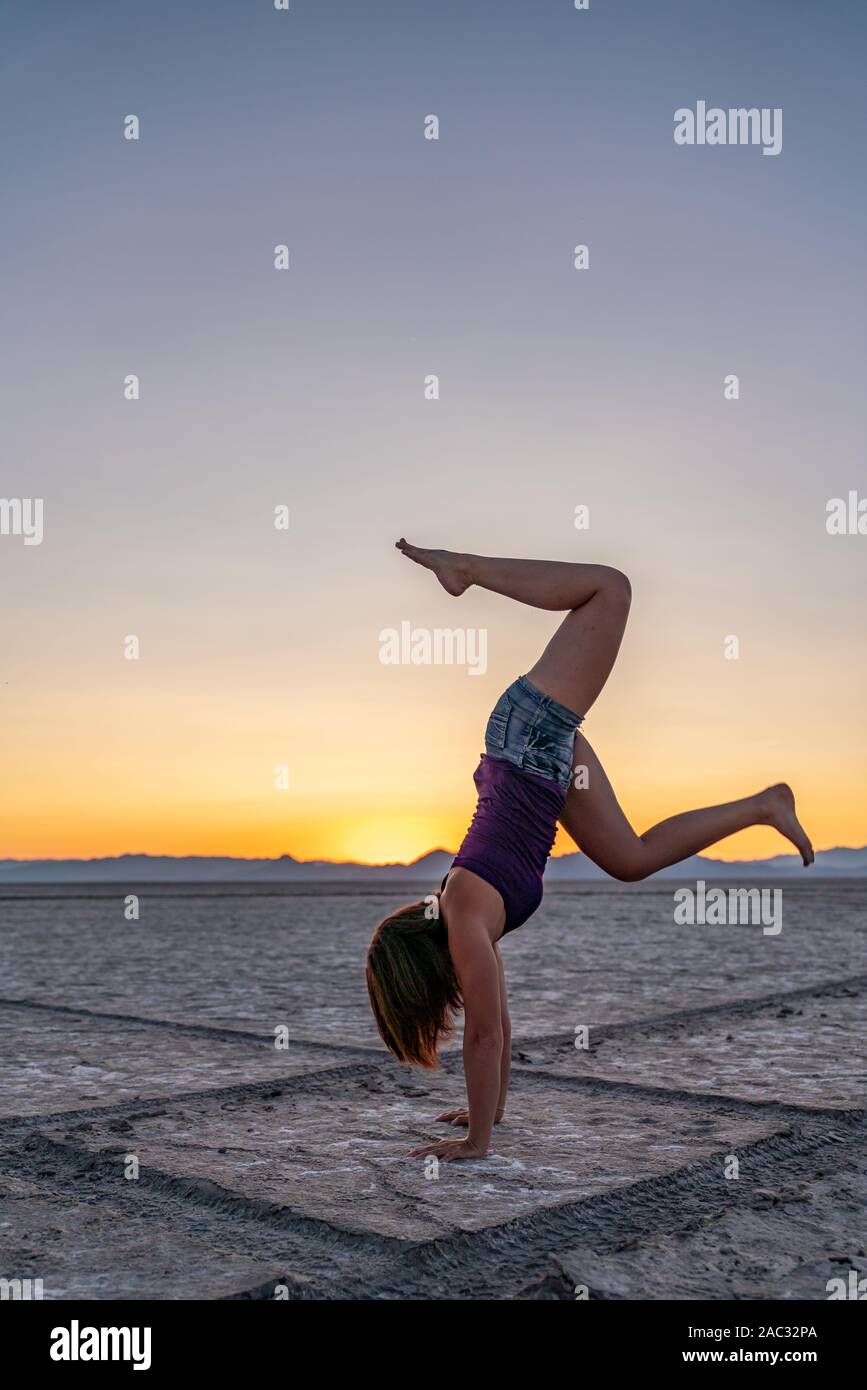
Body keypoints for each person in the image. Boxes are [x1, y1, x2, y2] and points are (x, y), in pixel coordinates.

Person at [366, 541, 813, 1162]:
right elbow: (497, 1018)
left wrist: (475, 1144)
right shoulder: (469, 922)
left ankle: (465, 568)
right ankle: (765, 805)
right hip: (541, 769)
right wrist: (487, 1111)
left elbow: (485, 1037)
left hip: (528, 740)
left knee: (612, 587)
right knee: (629, 860)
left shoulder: (464, 911)